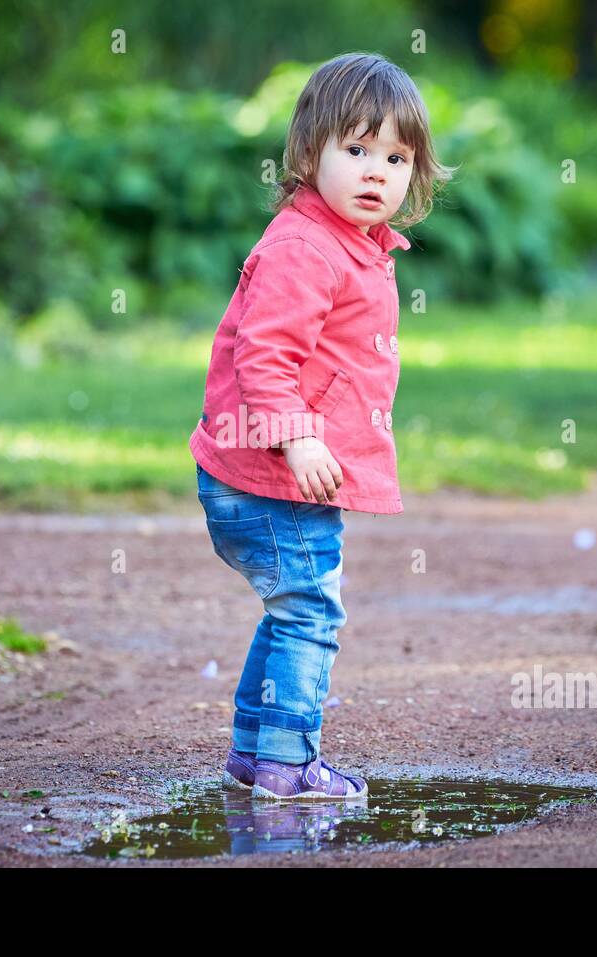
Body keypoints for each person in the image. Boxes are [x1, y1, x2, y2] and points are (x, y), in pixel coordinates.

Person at [189, 51, 455, 801]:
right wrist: (299, 434)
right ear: (309, 154)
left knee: (291, 607)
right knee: (310, 611)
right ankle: (285, 761)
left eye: (396, 156)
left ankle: (253, 752)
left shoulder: (348, 243)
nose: (377, 171)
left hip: (270, 475)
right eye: (357, 148)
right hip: (271, 474)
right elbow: (262, 352)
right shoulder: (306, 247)